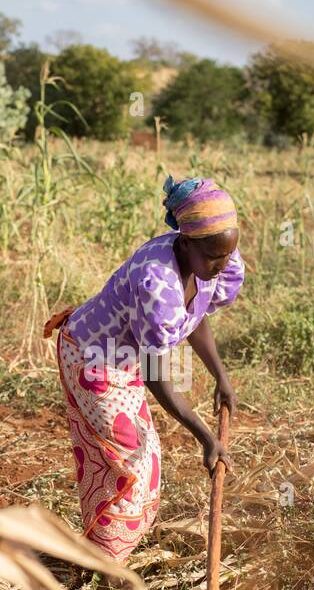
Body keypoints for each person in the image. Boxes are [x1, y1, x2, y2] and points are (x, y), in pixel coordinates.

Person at [43, 176, 245, 564]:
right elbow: (156, 375)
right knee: (138, 465)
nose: (221, 267)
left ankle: (99, 551)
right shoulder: (157, 281)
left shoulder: (205, 263)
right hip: (92, 362)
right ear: (185, 242)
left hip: (123, 362)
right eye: (214, 258)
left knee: (131, 460)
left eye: (227, 256)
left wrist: (221, 377)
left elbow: (197, 314)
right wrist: (206, 437)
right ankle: (103, 563)